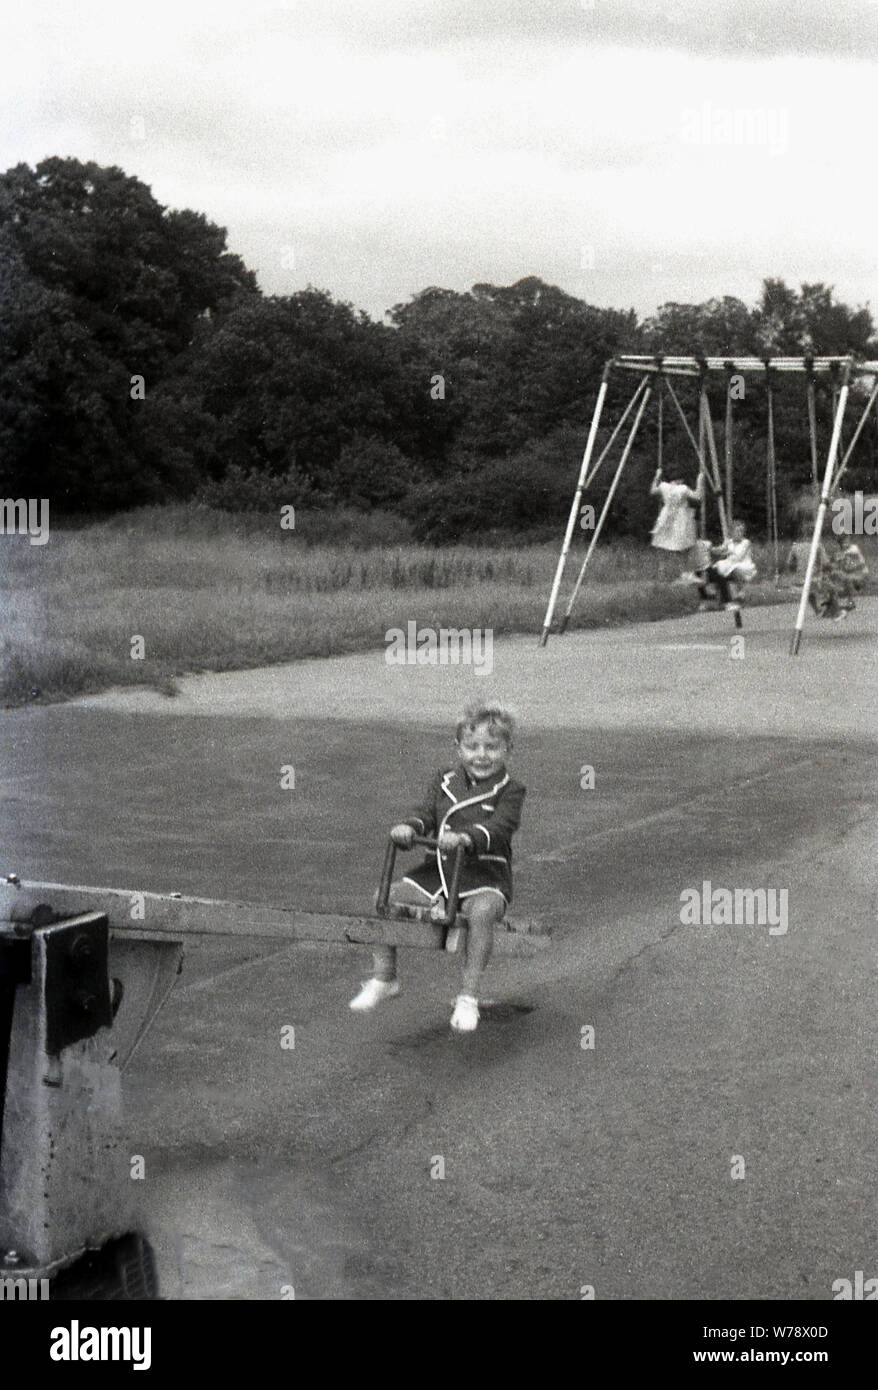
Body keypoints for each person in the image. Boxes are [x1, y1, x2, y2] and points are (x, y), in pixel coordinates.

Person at [349, 703, 526, 1033]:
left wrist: (467, 837)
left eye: (492, 747)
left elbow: (502, 827)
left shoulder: (510, 790)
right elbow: (427, 813)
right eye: (472, 747)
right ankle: (384, 977)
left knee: (483, 911)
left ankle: (468, 995)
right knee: (385, 896)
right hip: (440, 875)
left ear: (507, 749)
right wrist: (410, 828)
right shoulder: (444, 781)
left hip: (483, 876)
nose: (481, 755)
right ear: (458, 747)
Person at [703, 521, 757, 611]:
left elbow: (739, 556)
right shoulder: (729, 542)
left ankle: (739, 593)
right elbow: (720, 550)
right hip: (730, 563)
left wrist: (727, 551)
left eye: (741, 531)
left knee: (734, 569)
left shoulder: (746, 542)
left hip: (743, 564)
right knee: (716, 568)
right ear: (732, 532)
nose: (739, 533)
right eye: (737, 531)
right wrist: (711, 549)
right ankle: (718, 595)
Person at [649, 468, 704, 553]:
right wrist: (699, 481)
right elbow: (698, 497)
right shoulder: (683, 489)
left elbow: (652, 491)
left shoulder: (663, 486)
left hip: (666, 513)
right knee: (680, 536)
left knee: (667, 534)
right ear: (681, 479)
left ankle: (668, 552)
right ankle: (682, 553)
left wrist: (657, 476)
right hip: (681, 514)